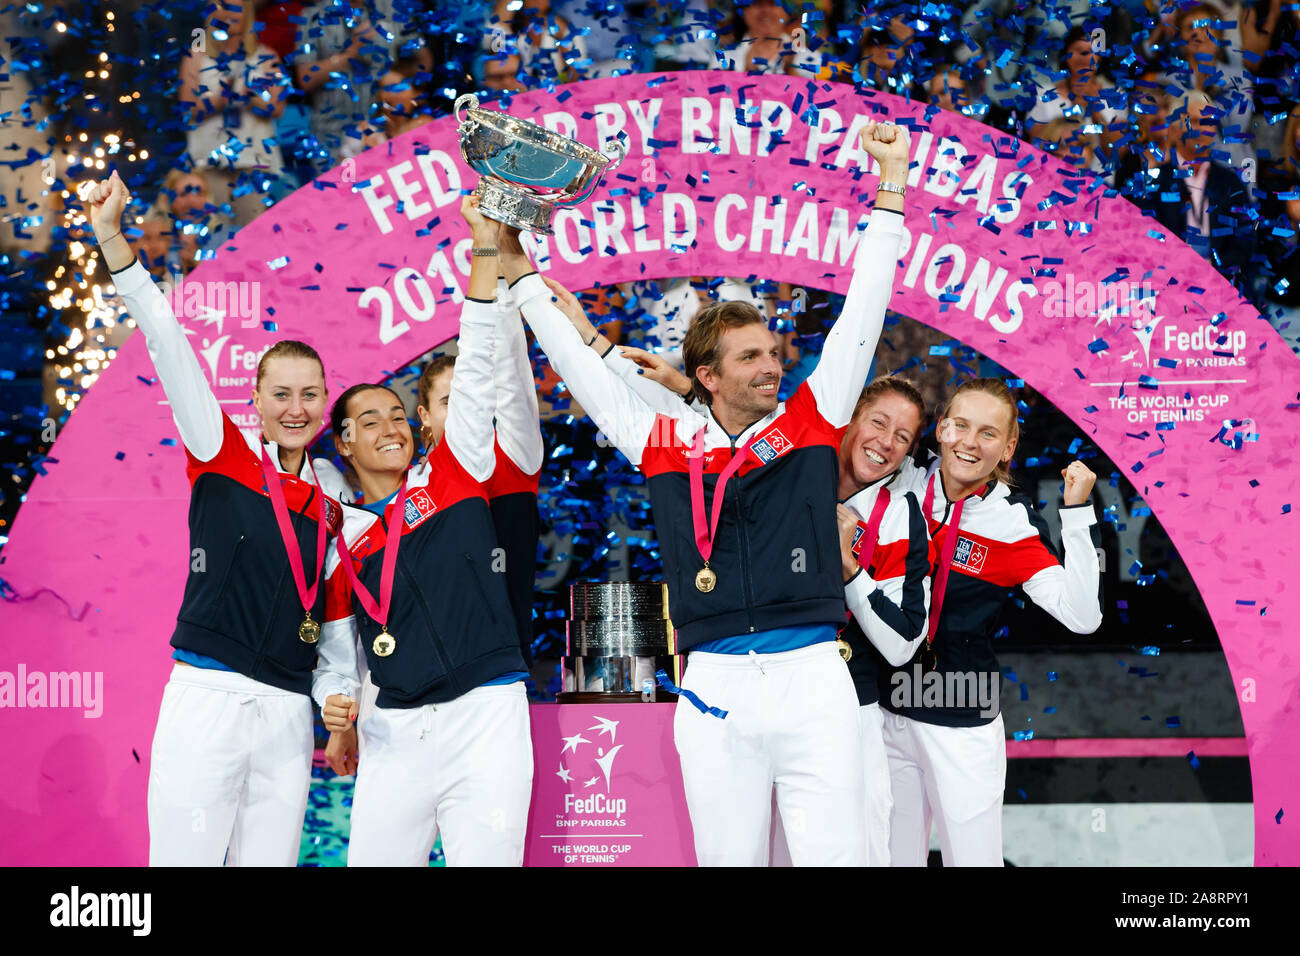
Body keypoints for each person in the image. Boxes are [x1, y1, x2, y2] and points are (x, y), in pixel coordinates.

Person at [500, 120, 911, 866]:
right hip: (714, 685)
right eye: (749, 358)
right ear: (709, 378)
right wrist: (518, 275)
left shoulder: (813, 421)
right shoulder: (663, 443)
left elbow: (863, 313)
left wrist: (890, 189)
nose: (769, 368)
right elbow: (586, 378)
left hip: (814, 677)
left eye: (774, 353)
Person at [85, 169, 353, 866]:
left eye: (310, 395)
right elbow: (168, 340)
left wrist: (336, 696)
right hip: (210, 697)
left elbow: (326, 629)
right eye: (281, 395)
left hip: (288, 715)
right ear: (257, 401)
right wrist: (116, 241)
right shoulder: (223, 451)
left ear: (326, 403)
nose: (296, 409)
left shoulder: (331, 508)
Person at [317, 197, 533, 866]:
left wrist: (484, 248)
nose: (391, 425)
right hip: (393, 732)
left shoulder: (455, 470)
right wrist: (335, 708)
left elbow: (475, 362)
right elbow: (335, 652)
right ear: (344, 446)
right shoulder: (339, 538)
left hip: (487, 715)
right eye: (370, 420)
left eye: (398, 414)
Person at [880, 377, 1102, 866]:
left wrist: (1077, 513)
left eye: (987, 433)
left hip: (960, 717)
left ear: (1008, 446)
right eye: (960, 425)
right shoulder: (898, 481)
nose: (969, 442)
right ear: (940, 428)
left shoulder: (1011, 521)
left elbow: (1082, 616)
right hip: (884, 710)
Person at [179, 0, 290, 228]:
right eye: (225, 6)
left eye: (237, 8)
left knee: (255, 238)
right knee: (214, 239)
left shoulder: (267, 57)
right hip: (210, 164)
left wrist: (253, 97)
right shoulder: (196, 55)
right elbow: (187, 109)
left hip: (254, 165)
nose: (231, 13)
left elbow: (277, 108)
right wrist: (219, 100)